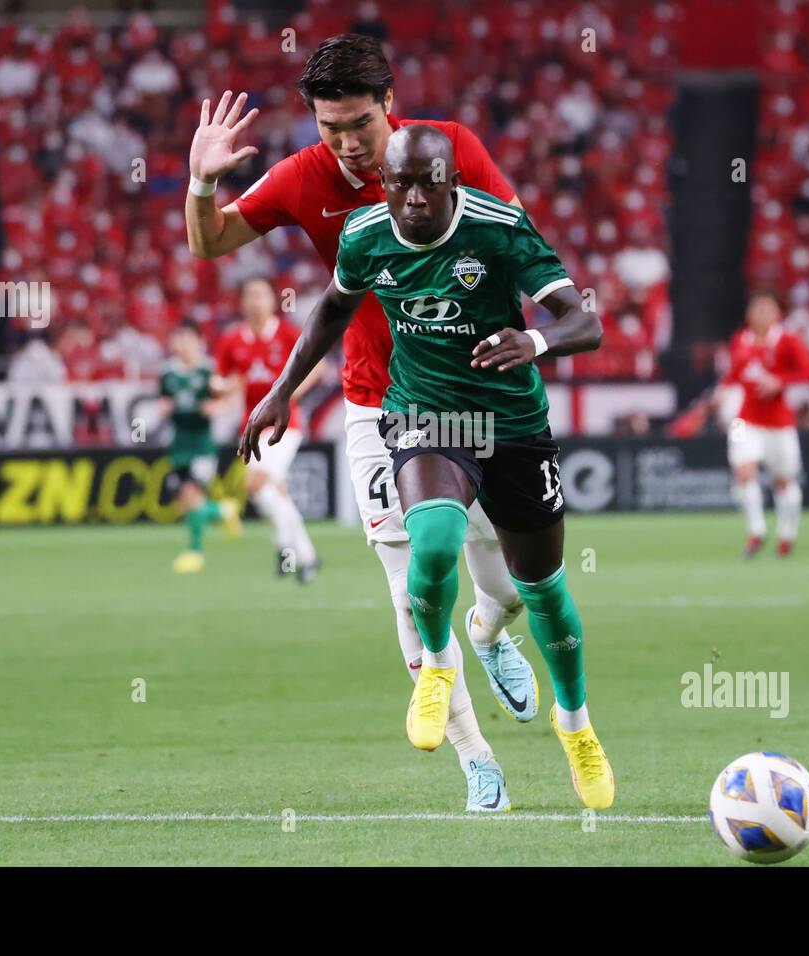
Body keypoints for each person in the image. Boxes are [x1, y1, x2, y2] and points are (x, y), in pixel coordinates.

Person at [185, 35, 536, 810]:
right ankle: (475, 760)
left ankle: (487, 632)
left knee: (508, 583)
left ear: (390, 105)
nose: (345, 144)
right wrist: (201, 184)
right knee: (411, 582)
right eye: (328, 126)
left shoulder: (452, 153)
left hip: (468, 395)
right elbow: (208, 243)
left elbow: (518, 243)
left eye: (359, 125)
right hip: (377, 402)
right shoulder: (304, 179)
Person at [240, 125, 615, 810]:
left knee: (539, 594)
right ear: (384, 185)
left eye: (427, 183)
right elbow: (332, 310)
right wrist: (279, 391)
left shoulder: (498, 229)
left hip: (512, 425)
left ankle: (576, 727)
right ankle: (440, 670)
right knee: (431, 542)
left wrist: (532, 339)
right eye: (399, 184)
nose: (412, 198)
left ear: (452, 180)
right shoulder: (364, 235)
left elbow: (582, 321)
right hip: (424, 416)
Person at [215, 276, 320, 582]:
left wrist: (291, 392)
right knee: (274, 494)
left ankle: (288, 548)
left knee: (256, 483)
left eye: (261, 294)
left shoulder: (287, 334)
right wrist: (225, 387)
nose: (255, 301)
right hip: (250, 426)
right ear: (242, 302)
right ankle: (304, 555)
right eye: (249, 295)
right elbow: (219, 379)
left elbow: (318, 365)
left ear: (273, 301)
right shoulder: (232, 339)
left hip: (285, 424)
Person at [715, 291, 809, 557]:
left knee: (784, 482)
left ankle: (787, 533)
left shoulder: (788, 341)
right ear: (748, 314)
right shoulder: (741, 340)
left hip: (779, 422)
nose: (760, 314)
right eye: (756, 309)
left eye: (766, 309)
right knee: (743, 471)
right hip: (746, 419)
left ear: (776, 314)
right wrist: (723, 390)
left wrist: (779, 381)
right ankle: (756, 530)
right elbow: (734, 374)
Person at [159, 320, 240, 574]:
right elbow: (165, 400)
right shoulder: (168, 374)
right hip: (179, 443)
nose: (181, 345)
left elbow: (232, 395)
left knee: (192, 495)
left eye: (186, 339)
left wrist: (219, 407)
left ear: (197, 342)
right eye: (177, 339)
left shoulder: (209, 372)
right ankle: (224, 509)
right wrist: (162, 408)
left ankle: (194, 553)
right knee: (184, 502)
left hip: (202, 444)